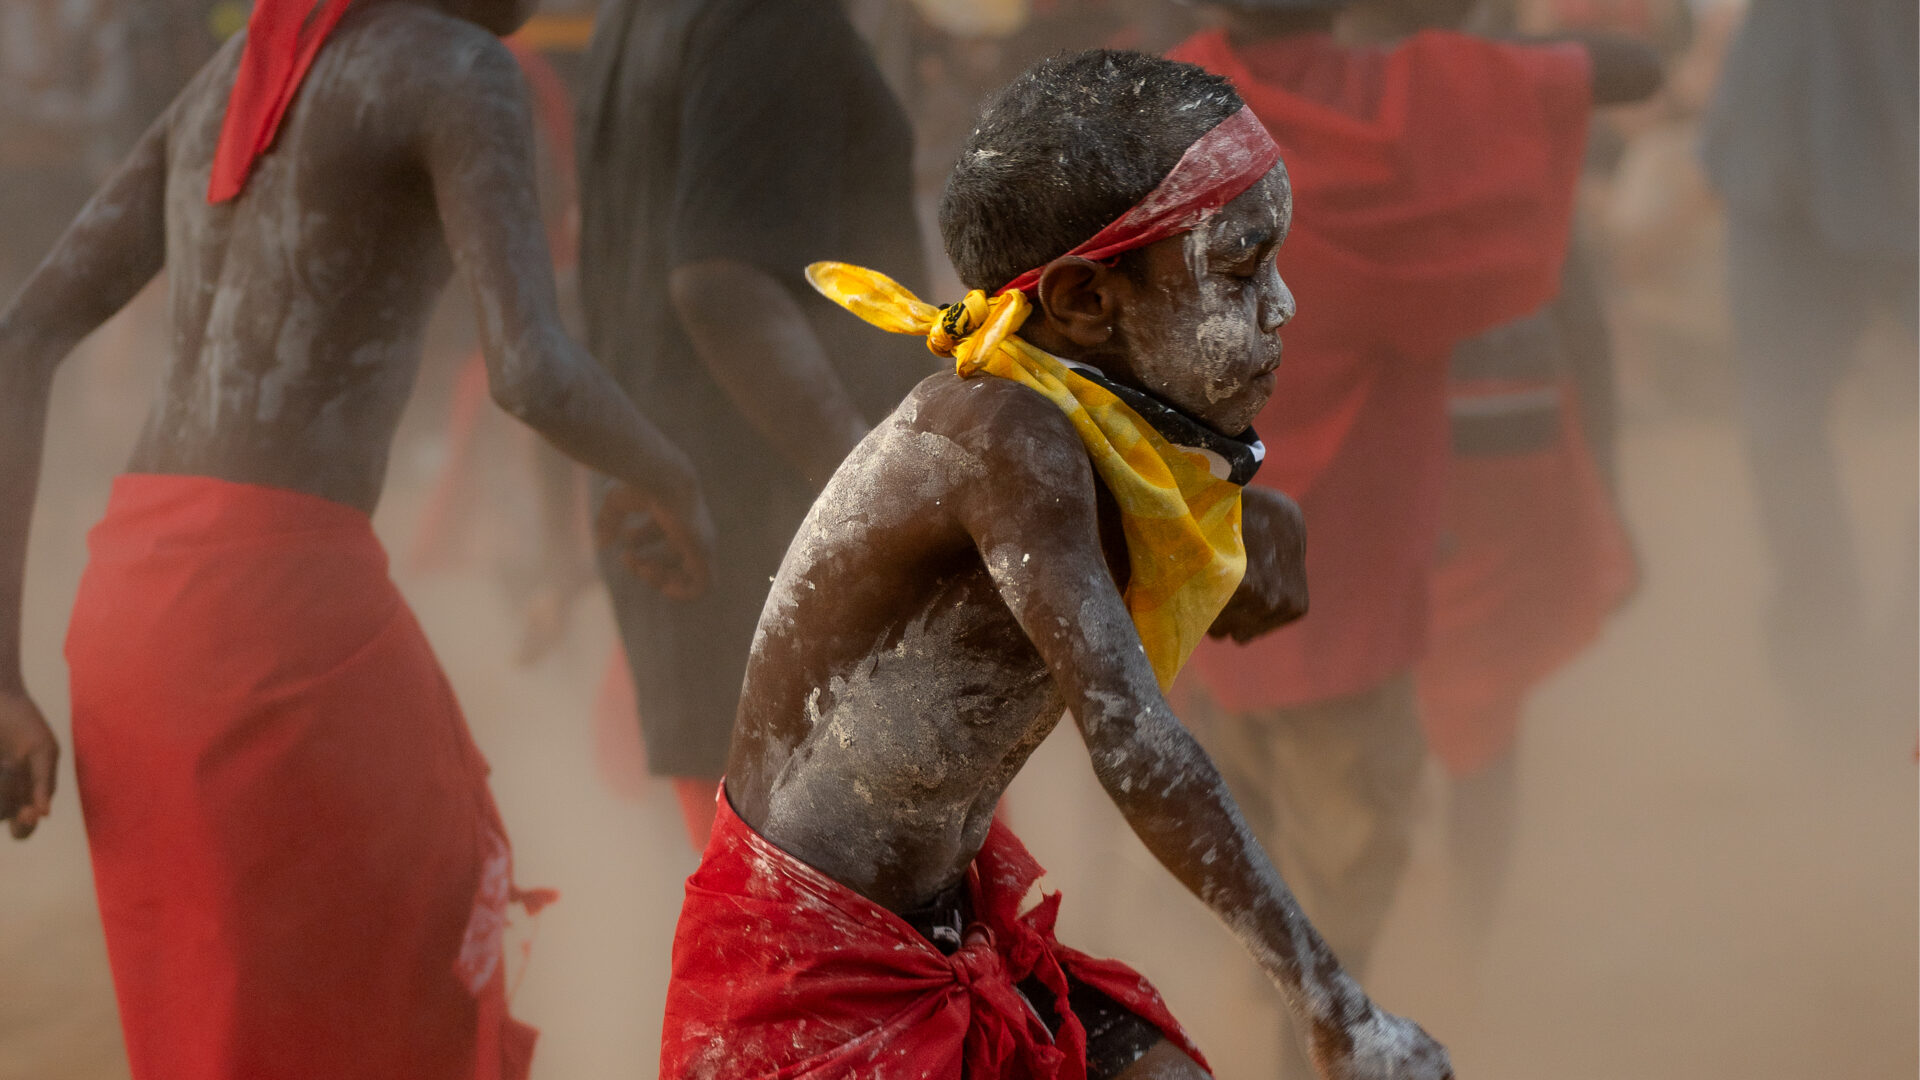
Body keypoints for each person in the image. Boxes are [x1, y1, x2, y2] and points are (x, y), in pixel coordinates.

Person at [660, 49, 1452, 1080]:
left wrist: (1247, 522)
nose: (1283, 308)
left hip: (939, 931)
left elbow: (1156, 510)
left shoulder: (1073, 419)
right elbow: (1135, 747)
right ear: (1083, 300)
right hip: (811, 982)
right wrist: (1338, 1009)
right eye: (1243, 269)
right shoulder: (1009, 440)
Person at [0, 0, 716, 1075]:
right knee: (388, 1009)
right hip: (276, 619)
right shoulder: (464, 68)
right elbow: (529, 370)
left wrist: (2, 679)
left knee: (220, 1035)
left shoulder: (238, 70)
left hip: (127, 613)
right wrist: (673, 478)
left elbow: (23, 333)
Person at [1167, 2, 1658, 1073]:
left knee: (1245, 818)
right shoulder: (1426, 110)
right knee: (1363, 855)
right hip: (1367, 559)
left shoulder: (1163, 114)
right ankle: (1326, 1034)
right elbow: (1635, 68)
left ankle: (1277, 1021)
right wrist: (1482, 68)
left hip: (1205, 562)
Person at [575, 0, 934, 847]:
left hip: (705, 551)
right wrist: (892, 515)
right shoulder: (774, 13)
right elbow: (721, 285)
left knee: (770, 941)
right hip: (791, 563)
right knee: (869, 951)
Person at [1700, 0, 1918, 710]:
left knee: (1780, 423)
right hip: (1783, 155)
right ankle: (1827, 660)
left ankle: (1901, 662)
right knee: (1780, 425)